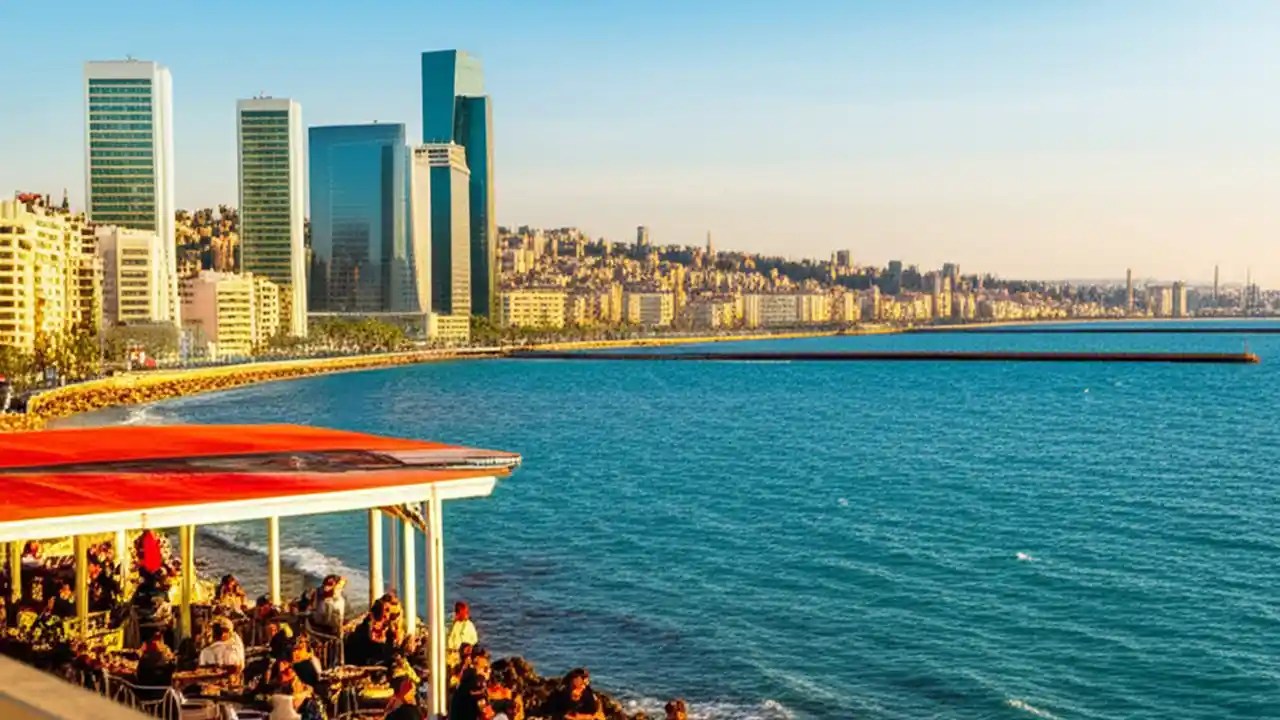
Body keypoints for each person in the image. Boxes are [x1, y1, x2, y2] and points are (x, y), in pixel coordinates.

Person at [448, 654, 493, 720]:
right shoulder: (478, 691)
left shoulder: (460, 689)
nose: (489, 671)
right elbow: (487, 715)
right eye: (485, 668)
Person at [446, 602, 478, 666]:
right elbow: (449, 639)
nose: (466, 615)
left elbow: (475, 639)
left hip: (463, 654)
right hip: (452, 654)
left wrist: (469, 646)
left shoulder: (469, 624)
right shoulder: (453, 624)